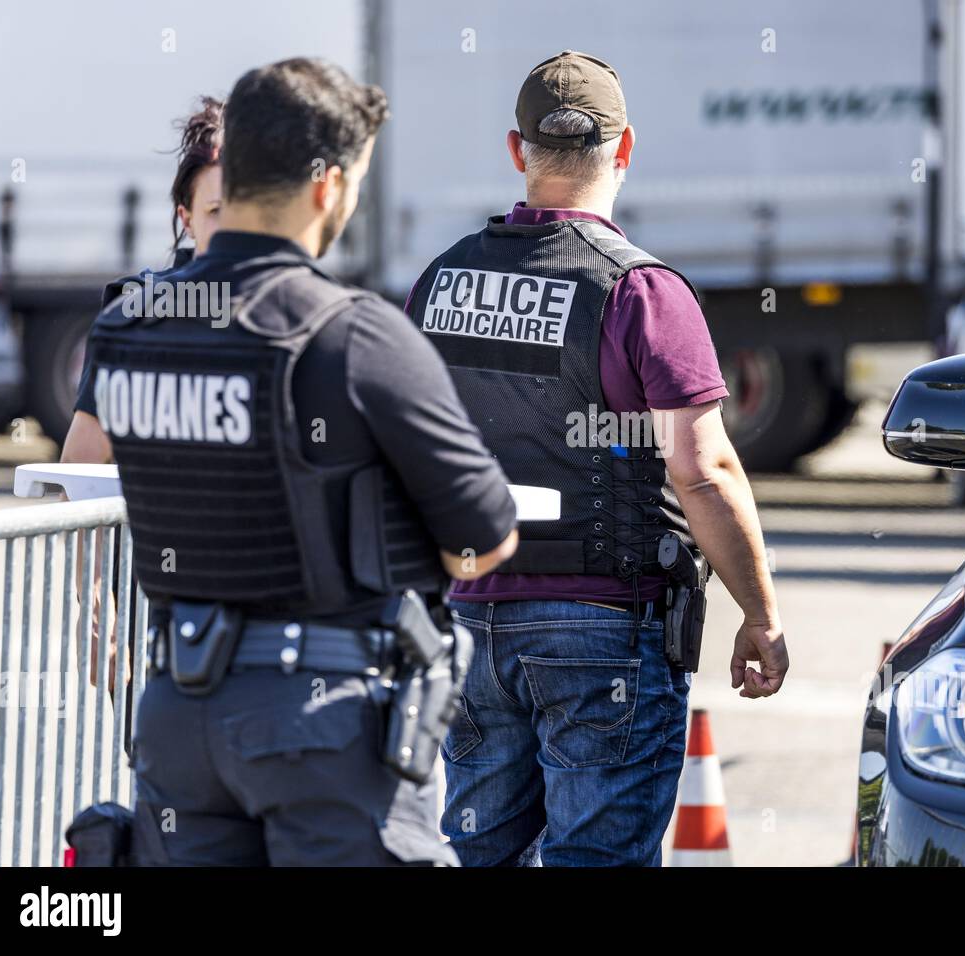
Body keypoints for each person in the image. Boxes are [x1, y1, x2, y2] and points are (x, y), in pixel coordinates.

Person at [84, 57, 518, 865]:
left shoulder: (128, 329)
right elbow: (484, 539)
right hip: (319, 726)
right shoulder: (356, 333)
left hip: (178, 714)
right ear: (328, 186)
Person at [407, 51, 789, 867]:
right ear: (624, 149)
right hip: (604, 629)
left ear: (518, 150)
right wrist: (760, 614)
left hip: (469, 624)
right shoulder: (641, 292)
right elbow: (702, 470)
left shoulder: (442, 281)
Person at [62, 95, 225, 468]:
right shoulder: (139, 311)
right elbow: (80, 473)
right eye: (216, 210)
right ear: (187, 219)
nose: (232, 224)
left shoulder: (293, 308)